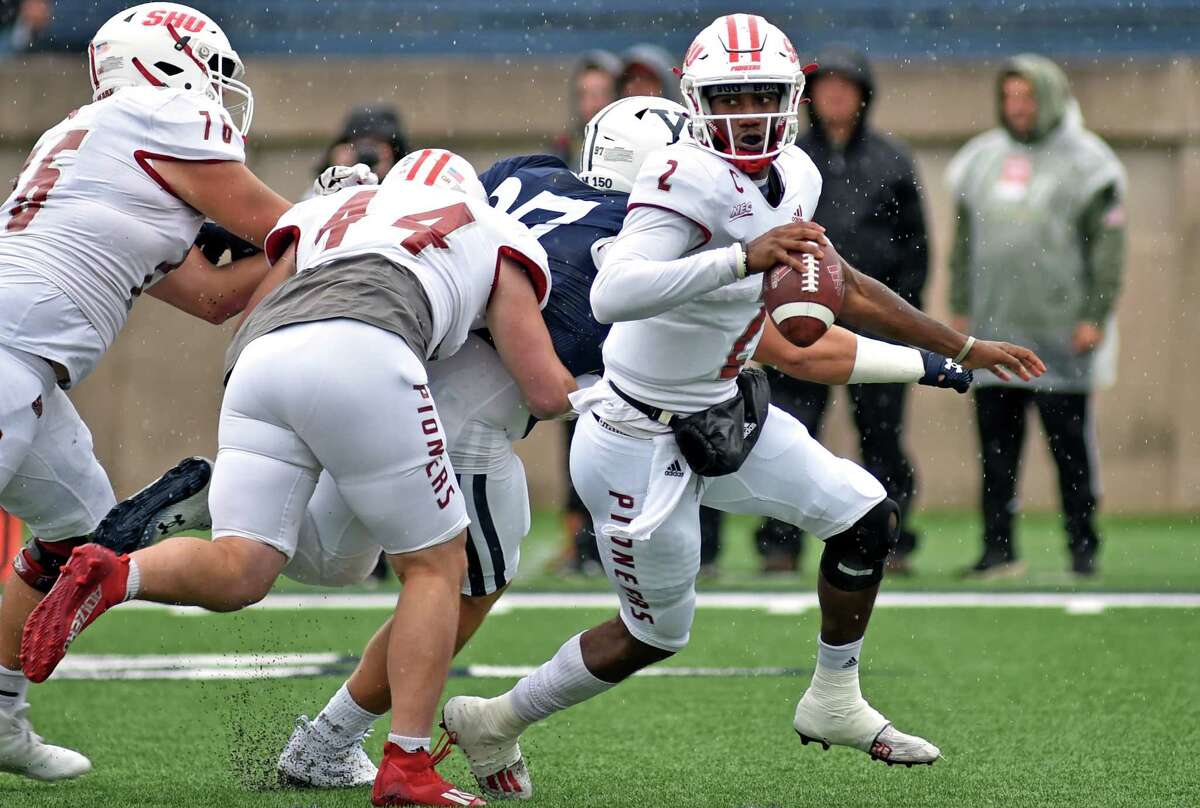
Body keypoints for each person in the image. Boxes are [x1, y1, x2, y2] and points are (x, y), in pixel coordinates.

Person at [91, 97, 974, 793]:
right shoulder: (623, 247)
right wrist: (932, 361)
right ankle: (328, 744)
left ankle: (313, 711)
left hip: (368, 359)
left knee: (344, 555)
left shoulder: (521, 174)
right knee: (431, 582)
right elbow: (787, 344)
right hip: (455, 418)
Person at [439, 14, 1045, 800]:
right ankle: (496, 718)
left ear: (790, 98)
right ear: (696, 103)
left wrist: (960, 348)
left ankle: (834, 697)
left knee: (868, 517)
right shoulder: (676, 178)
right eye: (732, 96)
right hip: (632, 435)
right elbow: (618, 292)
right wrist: (739, 257)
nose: (750, 112)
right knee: (654, 634)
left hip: (728, 415)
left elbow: (848, 288)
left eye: (765, 94)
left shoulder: (798, 174)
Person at [22, 148, 576, 807]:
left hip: (260, 360)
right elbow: (542, 391)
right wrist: (607, 397)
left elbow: (262, 298)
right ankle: (406, 764)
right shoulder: (492, 227)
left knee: (244, 566)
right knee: (435, 566)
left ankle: (117, 573)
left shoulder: (327, 211)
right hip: (367, 347)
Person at [0, 2, 290, 782]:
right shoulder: (159, 112)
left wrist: (303, 237)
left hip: (28, 368)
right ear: (167, 64)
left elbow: (214, 297)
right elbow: (283, 227)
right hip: (9, 350)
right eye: (210, 72)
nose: (219, 94)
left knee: (76, 530)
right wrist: (347, 208)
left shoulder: (108, 140)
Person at [947, 54, 1126, 578]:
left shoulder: (1091, 162)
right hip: (994, 335)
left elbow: (1108, 251)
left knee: (1070, 452)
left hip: (1060, 335)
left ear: (1048, 96)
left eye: (1026, 96)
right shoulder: (979, 159)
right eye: (1009, 97)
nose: (1017, 107)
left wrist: (1095, 313)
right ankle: (997, 549)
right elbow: (963, 242)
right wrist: (960, 305)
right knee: (997, 454)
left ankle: (1082, 546)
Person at [755, 45, 930, 575]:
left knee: (881, 434)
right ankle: (780, 543)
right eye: (825, 86)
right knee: (790, 429)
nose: (834, 96)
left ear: (863, 96)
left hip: (871, 324)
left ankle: (890, 536)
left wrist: (903, 319)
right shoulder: (788, 161)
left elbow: (916, 247)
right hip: (796, 323)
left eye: (845, 86)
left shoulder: (893, 162)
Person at [549, 50, 620, 165]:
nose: (592, 104)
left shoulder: (632, 148)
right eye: (584, 95)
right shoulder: (563, 149)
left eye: (600, 93)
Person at [323, 105, 409, 182]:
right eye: (358, 145)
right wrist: (335, 177)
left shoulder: (412, 189)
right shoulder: (321, 191)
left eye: (376, 143)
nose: (366, 152)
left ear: (395, 152)